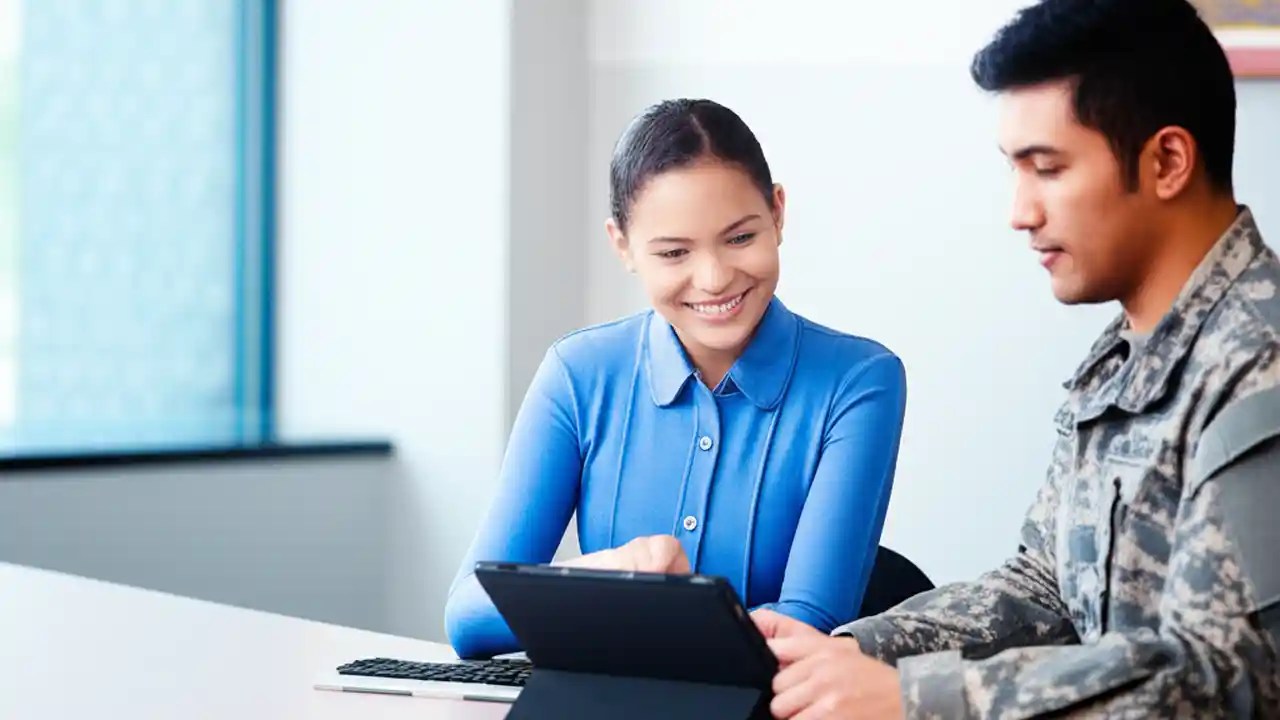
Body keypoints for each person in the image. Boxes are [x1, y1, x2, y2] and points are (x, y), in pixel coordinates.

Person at [753, 0, 1280, 717]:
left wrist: (913, 699)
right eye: (1015, 171)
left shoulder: (1261, 359)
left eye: (1048, 169)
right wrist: (855, 652)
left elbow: (1221, 679)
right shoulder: (1123, 356)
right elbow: (1045, 584)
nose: (1020, 211)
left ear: (1167, 161)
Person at [444, 99, 908, 659]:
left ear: (778, 213)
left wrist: (636, 614)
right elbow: (468, 618)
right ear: (624, 246)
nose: (713, 278)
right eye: (673, 252)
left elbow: (807, 623)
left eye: (740, 238)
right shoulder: (578, 374)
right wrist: (608, 576)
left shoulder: (859, 383)